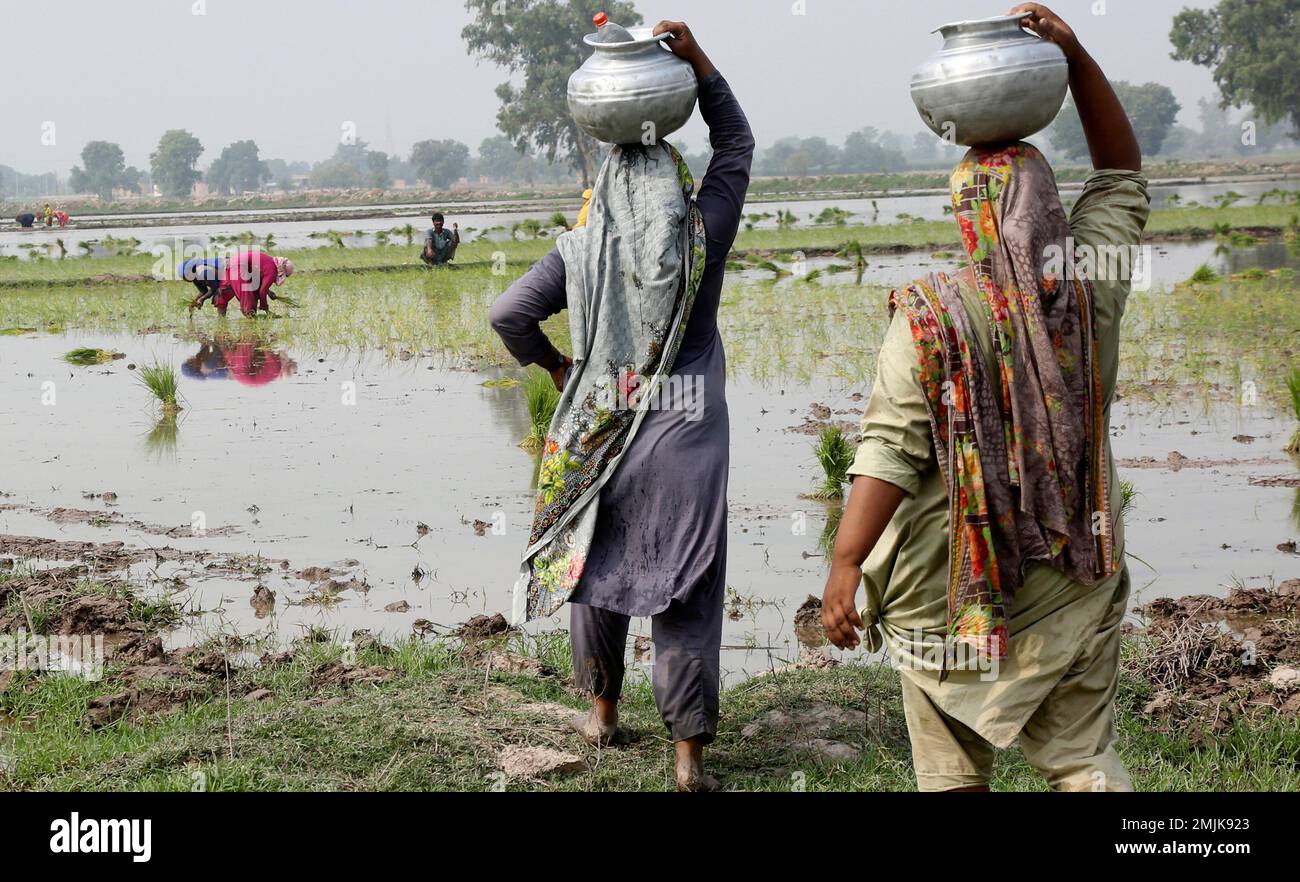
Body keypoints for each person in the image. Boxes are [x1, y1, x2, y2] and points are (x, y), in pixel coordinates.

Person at [821, 3, 1150, 793]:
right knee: (1080, 759)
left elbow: (890, 453)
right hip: (1075, 563)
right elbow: (1122, 173)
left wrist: (844, 561)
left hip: (951, 587)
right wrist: (1072, 53)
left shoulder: (929, 318)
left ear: (967, 217)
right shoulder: (1087, 283)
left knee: (951, 770)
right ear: (1048, 208)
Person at [489, 20, 753, 792]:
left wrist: (563, 365)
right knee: (685, 587)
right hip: (687, 439)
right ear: (675, 185)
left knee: (598, 568)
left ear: (604, 189)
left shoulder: (578, 250)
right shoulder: (703, 231)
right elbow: (735, 147)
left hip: (604, 429)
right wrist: (700, 61)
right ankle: (688, 762)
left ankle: (602, 716)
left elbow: (508, 315)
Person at [210, 251, 294, 317]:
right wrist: (264, 306)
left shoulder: (270, 262)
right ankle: (251, 319)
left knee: (226, 290)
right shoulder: (272, 271)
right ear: (282, 271)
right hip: (239, 267)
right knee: (247, 296)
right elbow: (262, 291)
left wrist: (268, 292)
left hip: (233, 264)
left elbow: (259, 282)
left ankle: (221, 320)